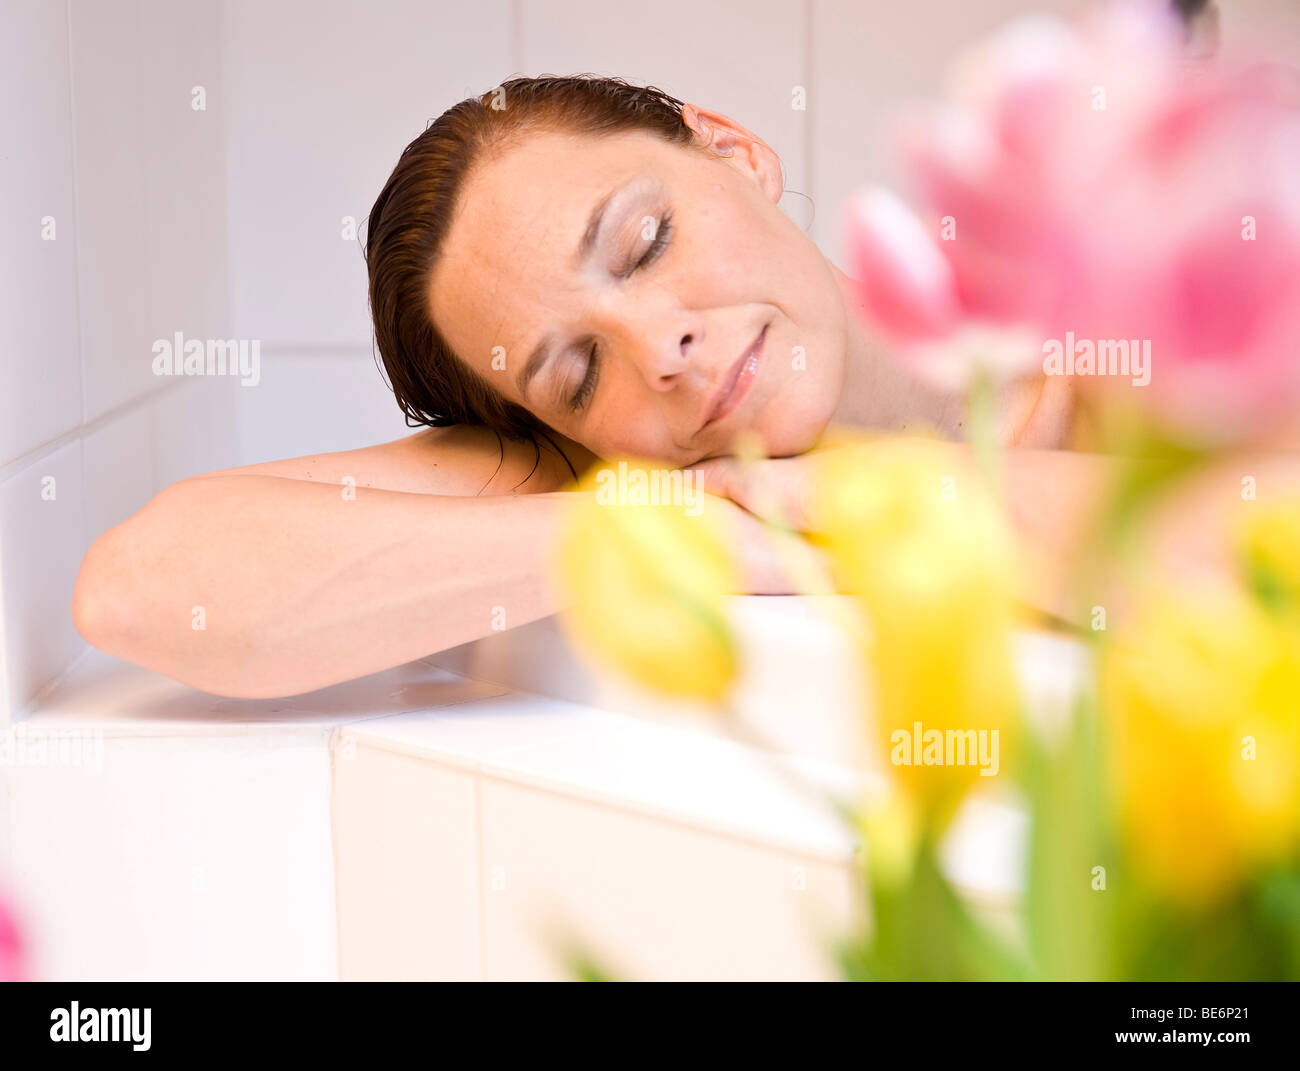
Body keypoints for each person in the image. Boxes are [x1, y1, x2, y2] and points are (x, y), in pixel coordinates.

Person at [62, 75, 1242, 699]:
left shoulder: (1124, 342)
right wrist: (676, 525)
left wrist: (871, 498)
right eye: (574, 373)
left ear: (732, 150)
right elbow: (143, 589)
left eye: (641, 244)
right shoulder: (635, 470)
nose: (655, 348)